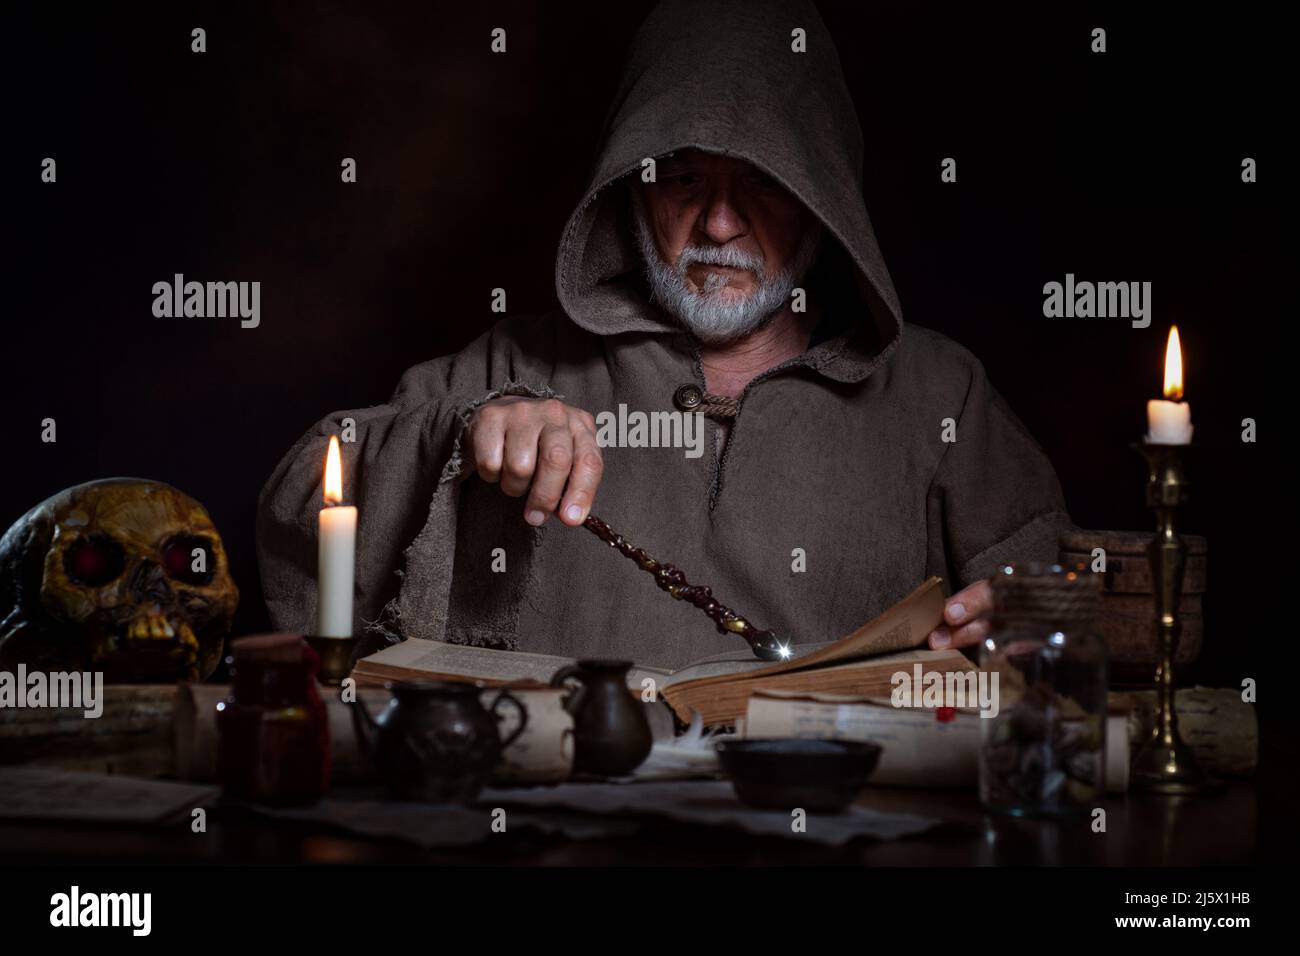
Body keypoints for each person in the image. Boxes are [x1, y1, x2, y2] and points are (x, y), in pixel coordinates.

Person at [258, 0, 1073, 668]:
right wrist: (465, 433)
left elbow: (1092, 594)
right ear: (632, 194)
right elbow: (303, 502)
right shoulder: (516, 361)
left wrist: (1036, 623)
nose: (719, 222)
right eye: (684, 177)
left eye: (764, 183)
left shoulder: (940, 392)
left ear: (825, 206)